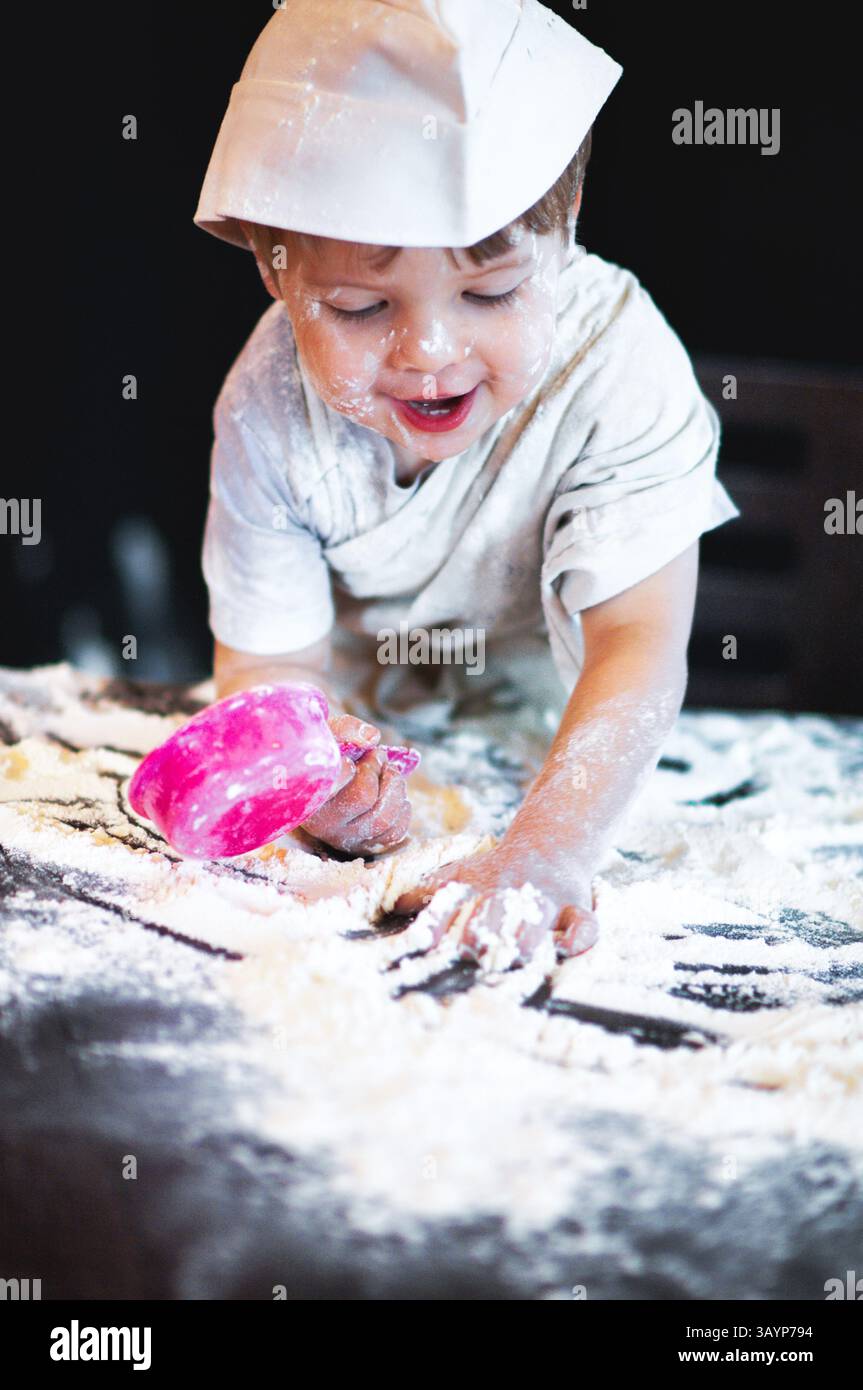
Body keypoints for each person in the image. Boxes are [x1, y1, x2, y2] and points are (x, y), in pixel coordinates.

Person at [194, 0, 740, 962]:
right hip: (390, 739)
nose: (430, 352)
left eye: (489, 293)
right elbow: (269, 668)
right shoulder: (264, 407)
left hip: (569, 750)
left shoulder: (619, 369)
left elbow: (635, 642)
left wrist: (548, 848)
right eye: (361, 307)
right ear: (276, 273)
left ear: (563, 232)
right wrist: (314, 774)